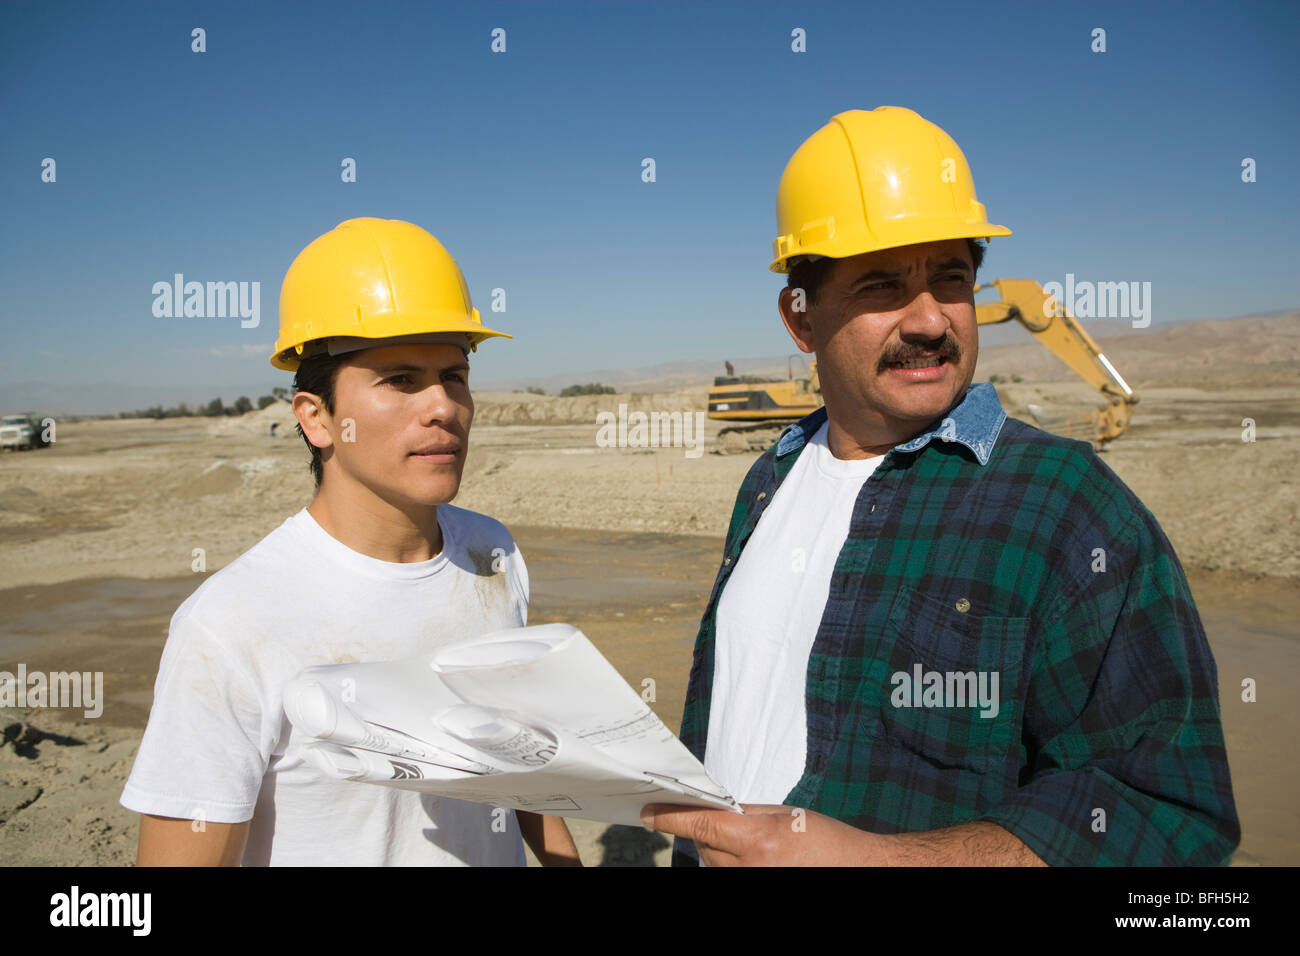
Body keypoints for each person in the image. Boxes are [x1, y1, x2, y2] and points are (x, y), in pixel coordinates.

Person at [641, 107, 1239, 866]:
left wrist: (883, 863)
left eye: (951, 278)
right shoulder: (769, 480)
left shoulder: (1068, 505)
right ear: (802, 320)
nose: (929, 319)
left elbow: (1166, 813)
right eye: (883, 284)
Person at [121, 217, 581, 866]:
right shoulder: (231, 626)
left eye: (454, 375)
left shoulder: (493, 555)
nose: (443, 407)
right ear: (317, 418)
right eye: (400, 379)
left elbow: (519, 758)